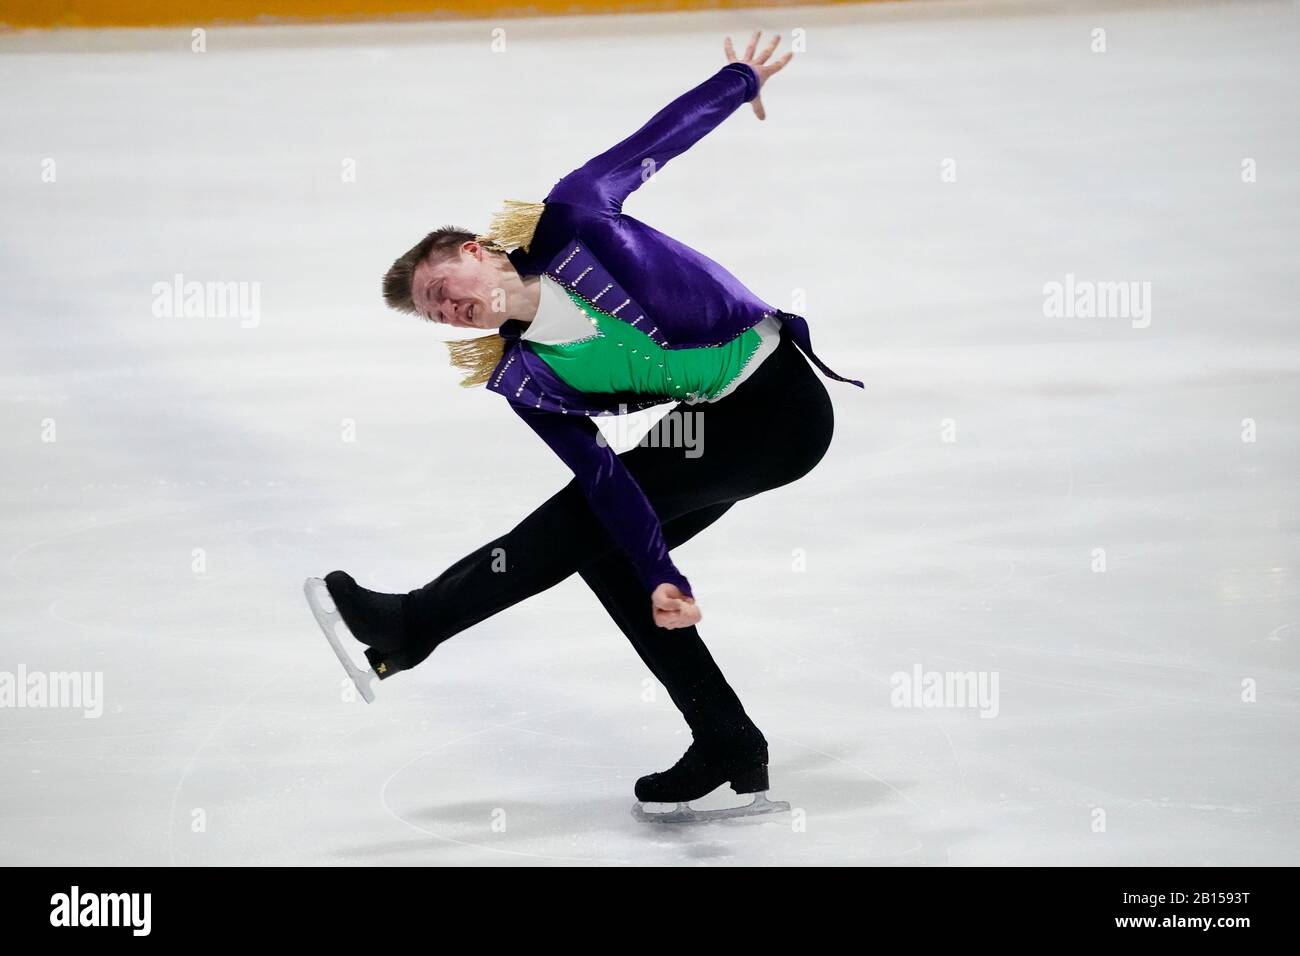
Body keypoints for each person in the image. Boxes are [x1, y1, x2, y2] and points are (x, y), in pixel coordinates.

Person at [313, 32, 863, 809]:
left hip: (782, 409)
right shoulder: (524, 374)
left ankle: (413, 624)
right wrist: (662, 574)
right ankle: (726, 738)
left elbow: (654, 145)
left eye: (445, 285)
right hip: (712, 424)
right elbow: (601, 475)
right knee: (605, 551)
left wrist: (739, 81)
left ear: (474, 249)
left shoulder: (575, 216)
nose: (452, 309)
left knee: (578, 535)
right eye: (438, 313)